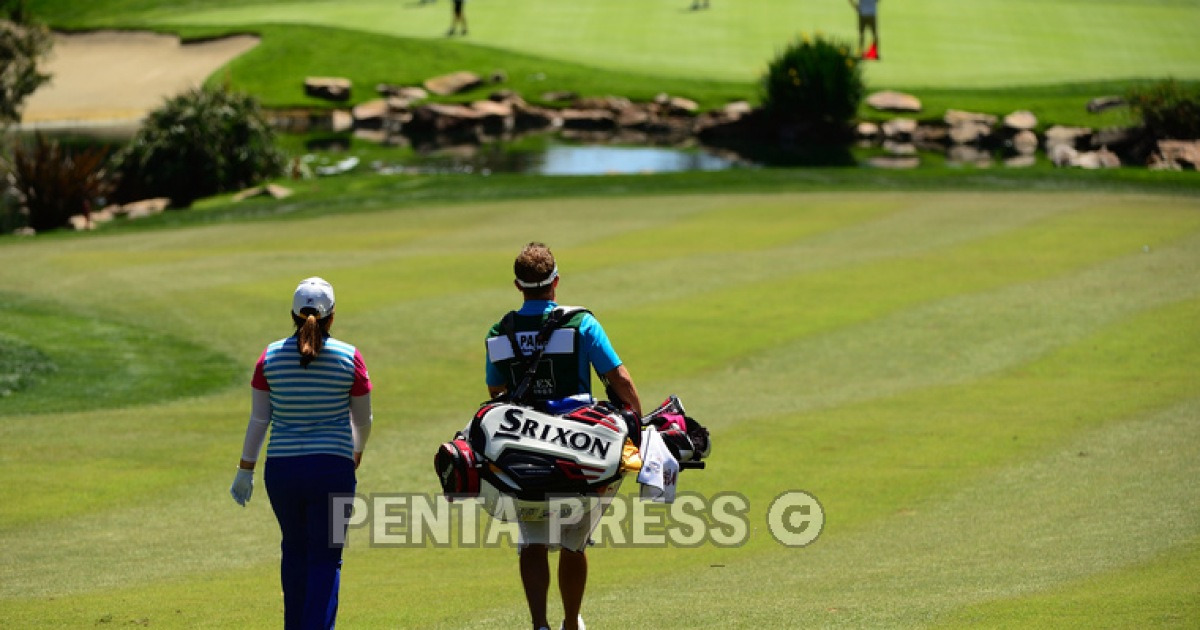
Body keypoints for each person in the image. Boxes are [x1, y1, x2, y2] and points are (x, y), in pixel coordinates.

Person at [485, 242, 643, 630]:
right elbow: (619, 379)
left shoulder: (500, 331)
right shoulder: (581, 323)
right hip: (581, 448)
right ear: (555, 281)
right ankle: (571, 622)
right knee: (574, 541)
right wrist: (638, 424)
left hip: (524, 450)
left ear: (518, 286)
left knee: (532, 540)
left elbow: (496, 392)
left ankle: (539, 624)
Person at [230, 277, 374, 630]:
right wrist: (355, 452)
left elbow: (259, 419)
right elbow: (363, 419)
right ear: (332, 316)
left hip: (282, 471)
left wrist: (245, 469)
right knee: (326, 558)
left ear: (293, 315)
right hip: (332, 468)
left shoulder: (269, 357)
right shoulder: (349, 357)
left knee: (294, 550)